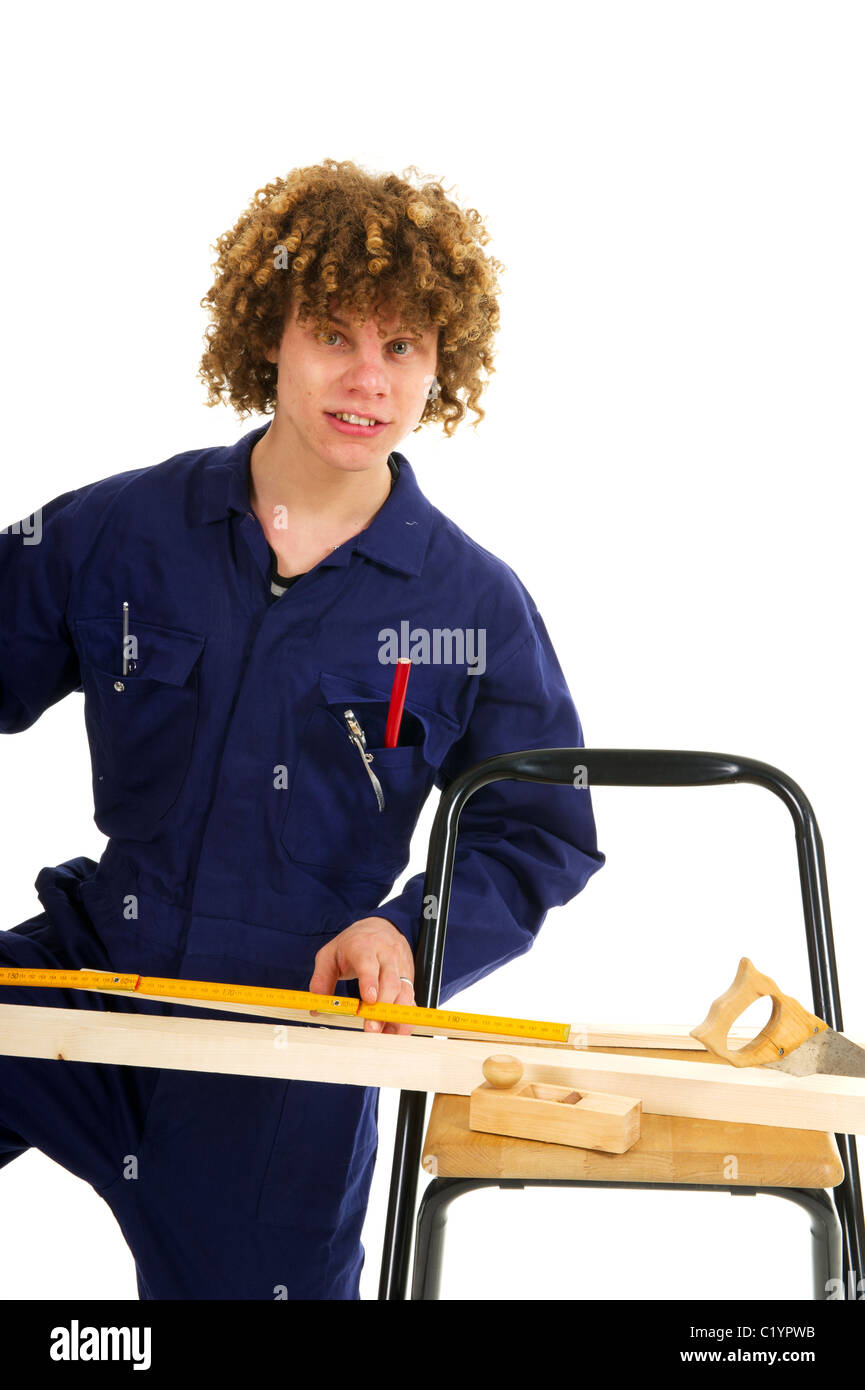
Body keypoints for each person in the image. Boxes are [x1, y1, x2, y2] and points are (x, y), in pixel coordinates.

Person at [0, 157, 605, 1299]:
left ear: (444, 366)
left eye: (403, 347)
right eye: (333, 333)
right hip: (95, 968)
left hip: (285, 1040)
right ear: (266, 336)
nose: (367, 378)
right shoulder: (124, 528)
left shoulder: (468, 606)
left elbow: (539, 833)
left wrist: (408, 936)